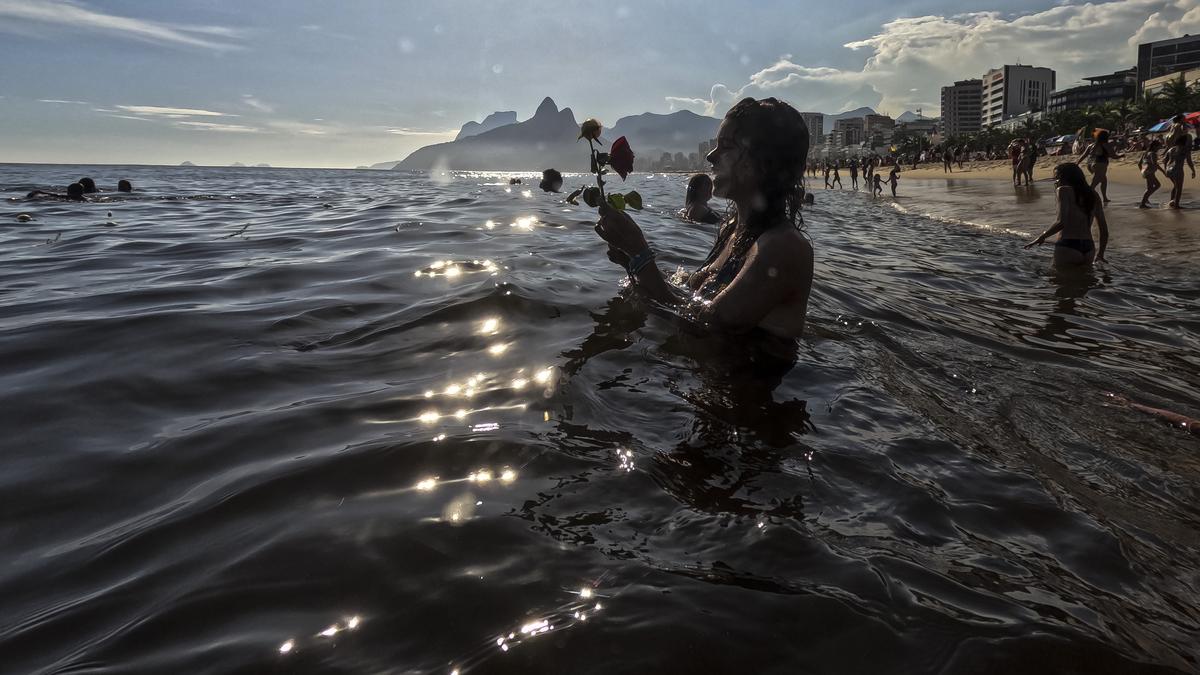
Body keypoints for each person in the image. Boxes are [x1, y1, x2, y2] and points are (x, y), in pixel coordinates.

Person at [593, 96, 814, 339]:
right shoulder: (733, 230)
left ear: (762, 160)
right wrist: (630, 259)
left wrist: (640, 254)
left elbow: (705, 330)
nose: (710, 156)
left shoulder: (784, 247)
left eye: (726, 146)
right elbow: (687, 300)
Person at [1024, 162, 1109, 266]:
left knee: (1057, 275)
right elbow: (1103, 229)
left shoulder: (1063, 190)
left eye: (1057, 178)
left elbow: (1061, 222)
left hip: (1068, 244)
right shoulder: (1093, 194)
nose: (1056, 181)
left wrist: (1042, 237)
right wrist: (1100, 253)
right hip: (1089, 247)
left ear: (1065, 178)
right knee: (1086, 276)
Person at [1078, 129, 1122, 203]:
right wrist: (1121, 155)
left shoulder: (1091, 145)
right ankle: (1084, 199)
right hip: (1100, 164)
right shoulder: (1106, 145)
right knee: (1093, 185)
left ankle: (1105, 198)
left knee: (1104, 181)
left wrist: (1077, 163)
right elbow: (1113, 156)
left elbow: (1084, 155)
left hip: (1090, 165)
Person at [1163, 132, 1196, 209]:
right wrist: (1193, 170)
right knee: (1179, 188)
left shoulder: (1171, 149)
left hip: (1169, 169)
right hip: (1177, 169)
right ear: (1185, 142)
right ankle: (1176, 205)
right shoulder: (1185, 149)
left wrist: (1165, 169)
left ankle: (1171, 202)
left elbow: (1164, 160)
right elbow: (1189, 161)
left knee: (1175, 186)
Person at [1137, 140, 1164, 208]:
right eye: (1158, 146)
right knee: (1154, 186)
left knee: (1153, 186)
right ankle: (1142, 204)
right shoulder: (1153, 154)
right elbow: (1155, 164)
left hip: (1145, 171)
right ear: (1154, 146)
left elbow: (1139, 164)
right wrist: (1163, 171)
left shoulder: (1145, 153)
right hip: (1149, 171)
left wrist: (1142, 171)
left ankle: (1145, 199)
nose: (1159, 148)